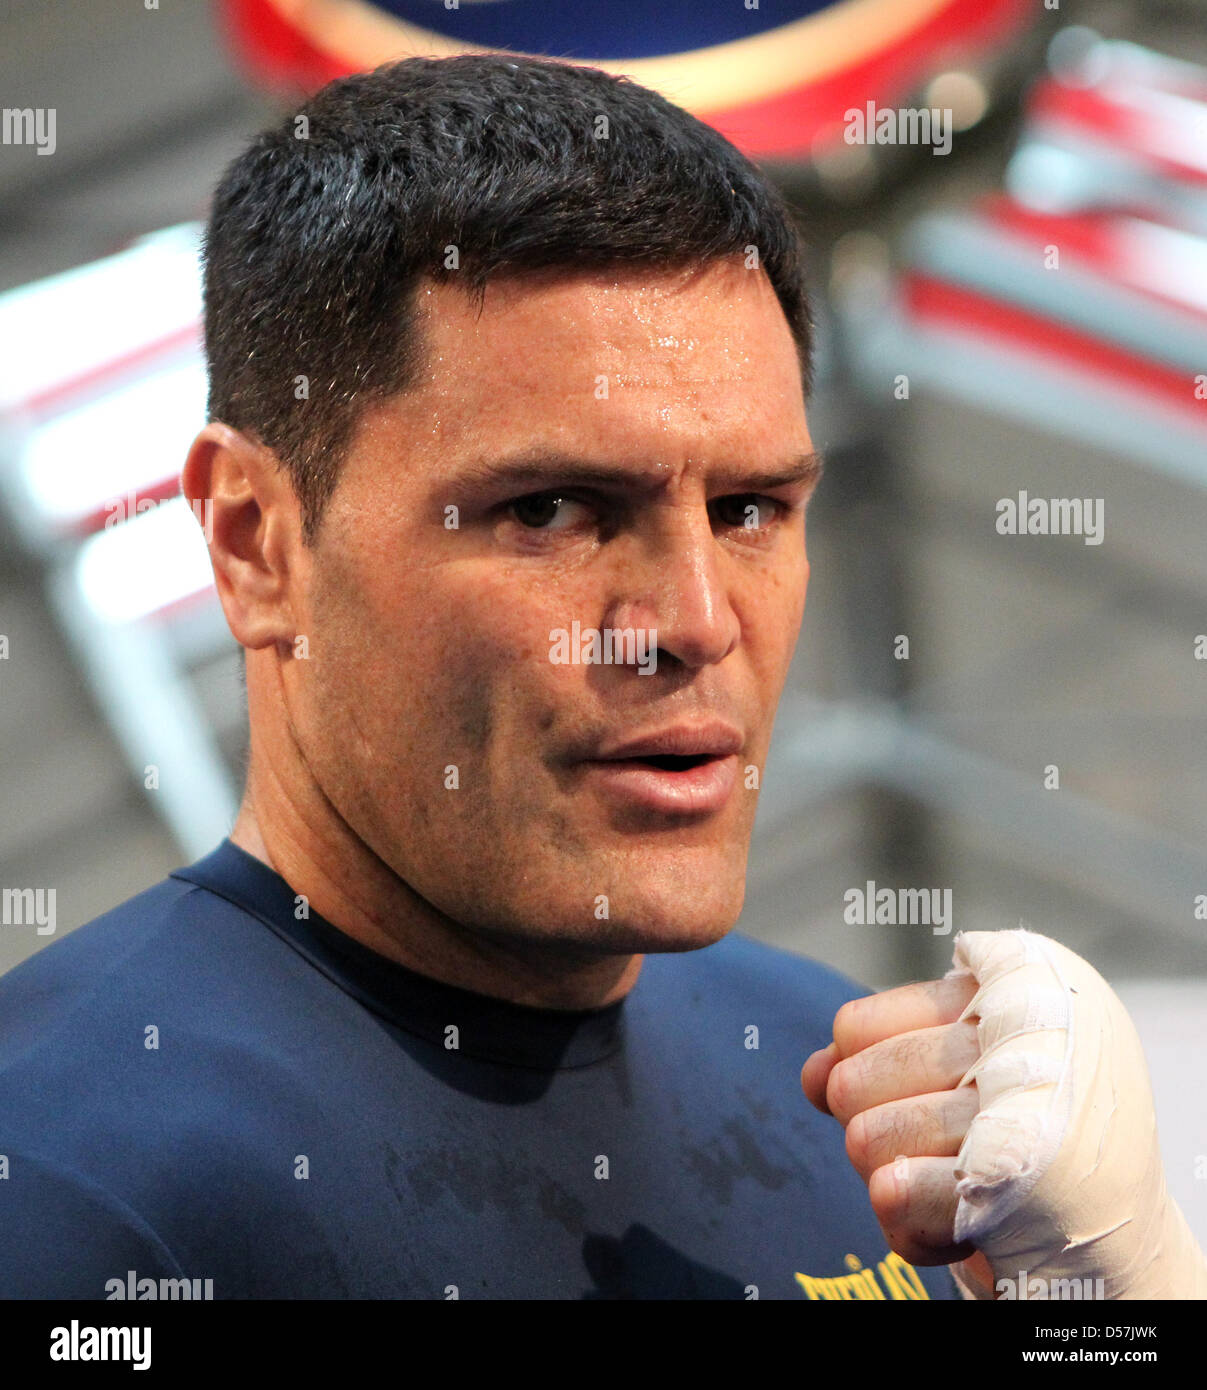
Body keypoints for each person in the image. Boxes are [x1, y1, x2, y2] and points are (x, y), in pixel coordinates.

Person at [2, 53, 1178, 1303]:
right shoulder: (68, 1176)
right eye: (552, 508)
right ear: (256, 543)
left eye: (748, 507)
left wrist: (1117, 1299)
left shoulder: (846, 1081)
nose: (693, 621)